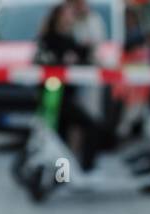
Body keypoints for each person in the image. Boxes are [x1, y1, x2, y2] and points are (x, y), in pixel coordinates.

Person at [36, 1, 102, 171]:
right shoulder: (49, 39)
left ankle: (63, 176)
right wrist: (62, 61)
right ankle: (81, 171)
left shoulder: (70, 38)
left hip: (65, 96)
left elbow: (84, 56)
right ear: (59, 17)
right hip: (54, 98)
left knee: (63, 138)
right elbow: (42, 61)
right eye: (68, 14)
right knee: (81, 129)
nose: (72, 17)